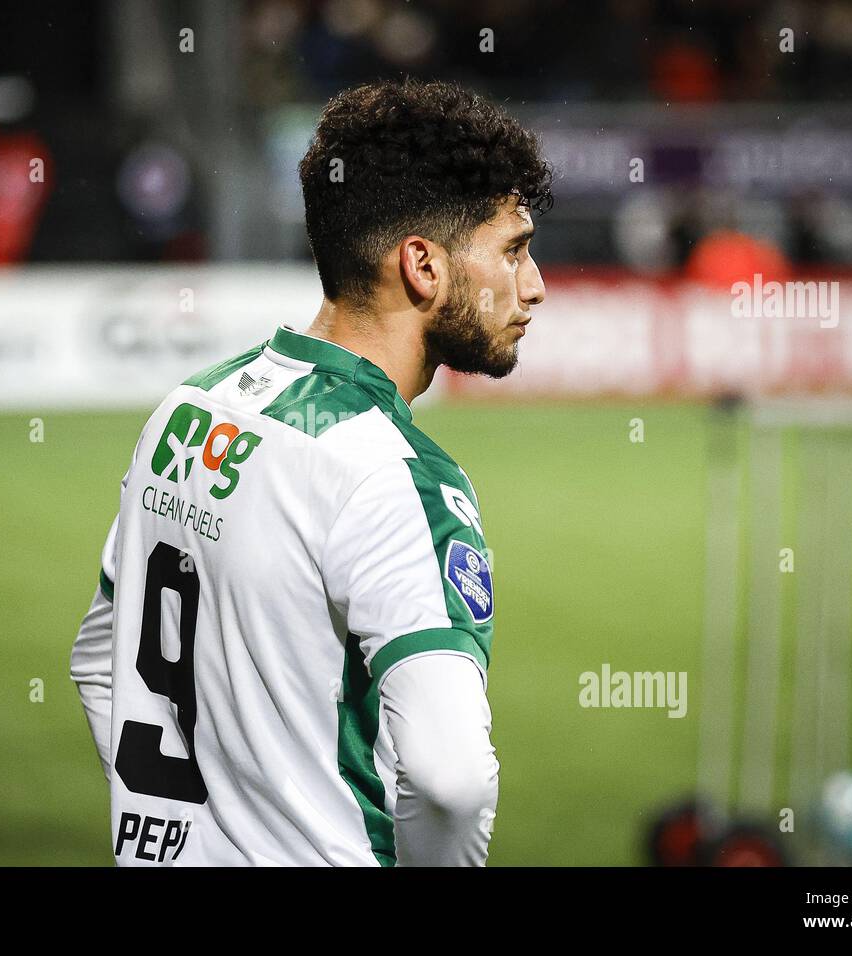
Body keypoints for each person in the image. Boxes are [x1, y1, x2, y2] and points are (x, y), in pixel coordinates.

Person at [71, 79, 550, 865]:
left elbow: (99, 662)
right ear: (422, 266)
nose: (534, 286)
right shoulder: (398, 477)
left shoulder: (189, 408)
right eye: (514, 249)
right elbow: (452, 781)